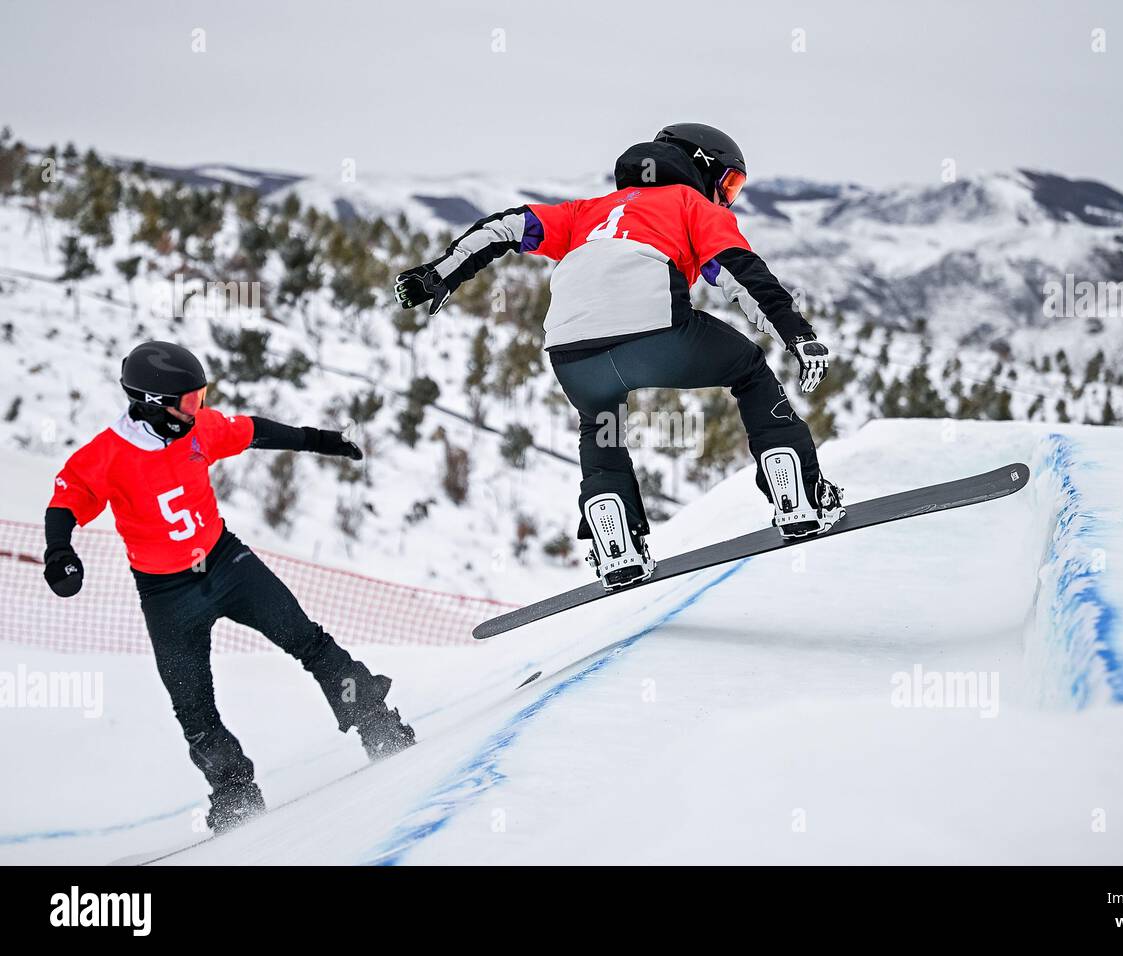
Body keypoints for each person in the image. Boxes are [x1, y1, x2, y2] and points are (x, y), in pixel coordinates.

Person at [395, 123, 843, 589]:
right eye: (729, 184)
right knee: (749, 370)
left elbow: (505, 228)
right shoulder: (690, 204)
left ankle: (617, 542)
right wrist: (797, 334)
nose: (727, 198)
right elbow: (740, 270)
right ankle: (800, 493)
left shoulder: (585, 211)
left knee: (600, 419)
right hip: (658, 335)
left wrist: (439, 274)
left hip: (571, 353)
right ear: (702, 166)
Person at [42, 341, 415, 833]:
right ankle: (235, 793)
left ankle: (376, 721)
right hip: (166, 594)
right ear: (152, 404)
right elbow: (66, 500)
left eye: (201, 398)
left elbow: (255, 431)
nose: (198, 410)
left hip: (225, 563)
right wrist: (59, 551)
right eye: (189, 401)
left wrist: (321, 440)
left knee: (307, 640)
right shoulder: (107, 455)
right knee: (193, 707)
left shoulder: (200, 430)